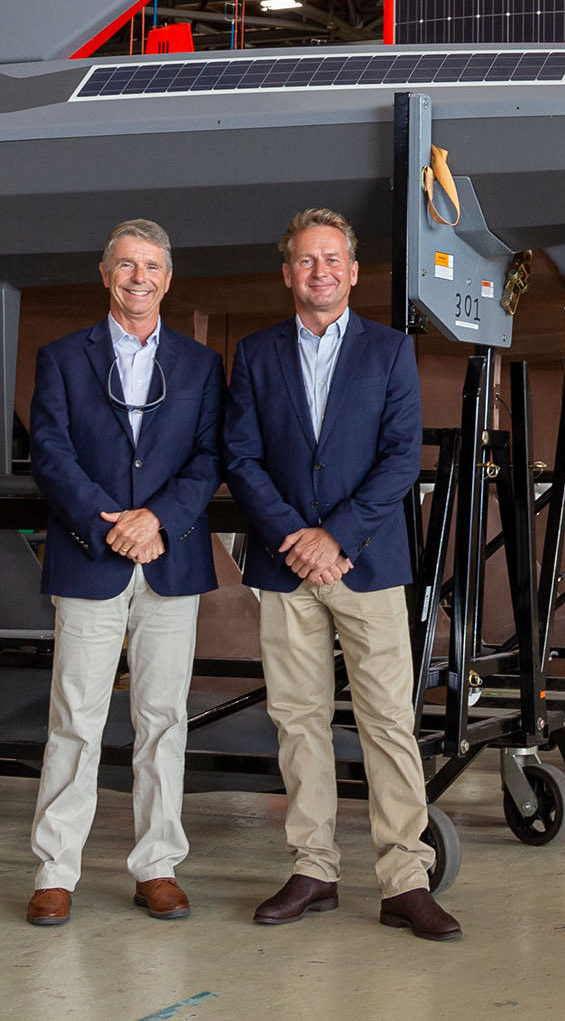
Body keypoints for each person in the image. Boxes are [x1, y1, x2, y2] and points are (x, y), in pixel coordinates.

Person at [222, 207, 462, 941]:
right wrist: (297, 536)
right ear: (287, 271)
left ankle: (404, 880)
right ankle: (313, 869)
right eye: (305, 259)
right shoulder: (256, 353)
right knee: (297, 721)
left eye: (332, 259)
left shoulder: (390, 353)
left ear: (354, 272)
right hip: (286, 562)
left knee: (388, 720)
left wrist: (337, 536)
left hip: (368, 563)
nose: (319, 271)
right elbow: (241, 457)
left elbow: (401, 459)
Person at [24, 219, 225, 927]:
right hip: (90, 557)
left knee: (164, 719)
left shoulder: (201, 367)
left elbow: (209, 460)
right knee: (74, 718)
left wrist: (157, 521)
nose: (139, 277)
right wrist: (110, 521)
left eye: (152, 267)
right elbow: (50, 452)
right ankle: (55, 872)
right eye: (126, 265)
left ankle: (157, 866)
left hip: (171, 562)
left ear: (168, 280)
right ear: (105, 274)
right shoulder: (60, 358)